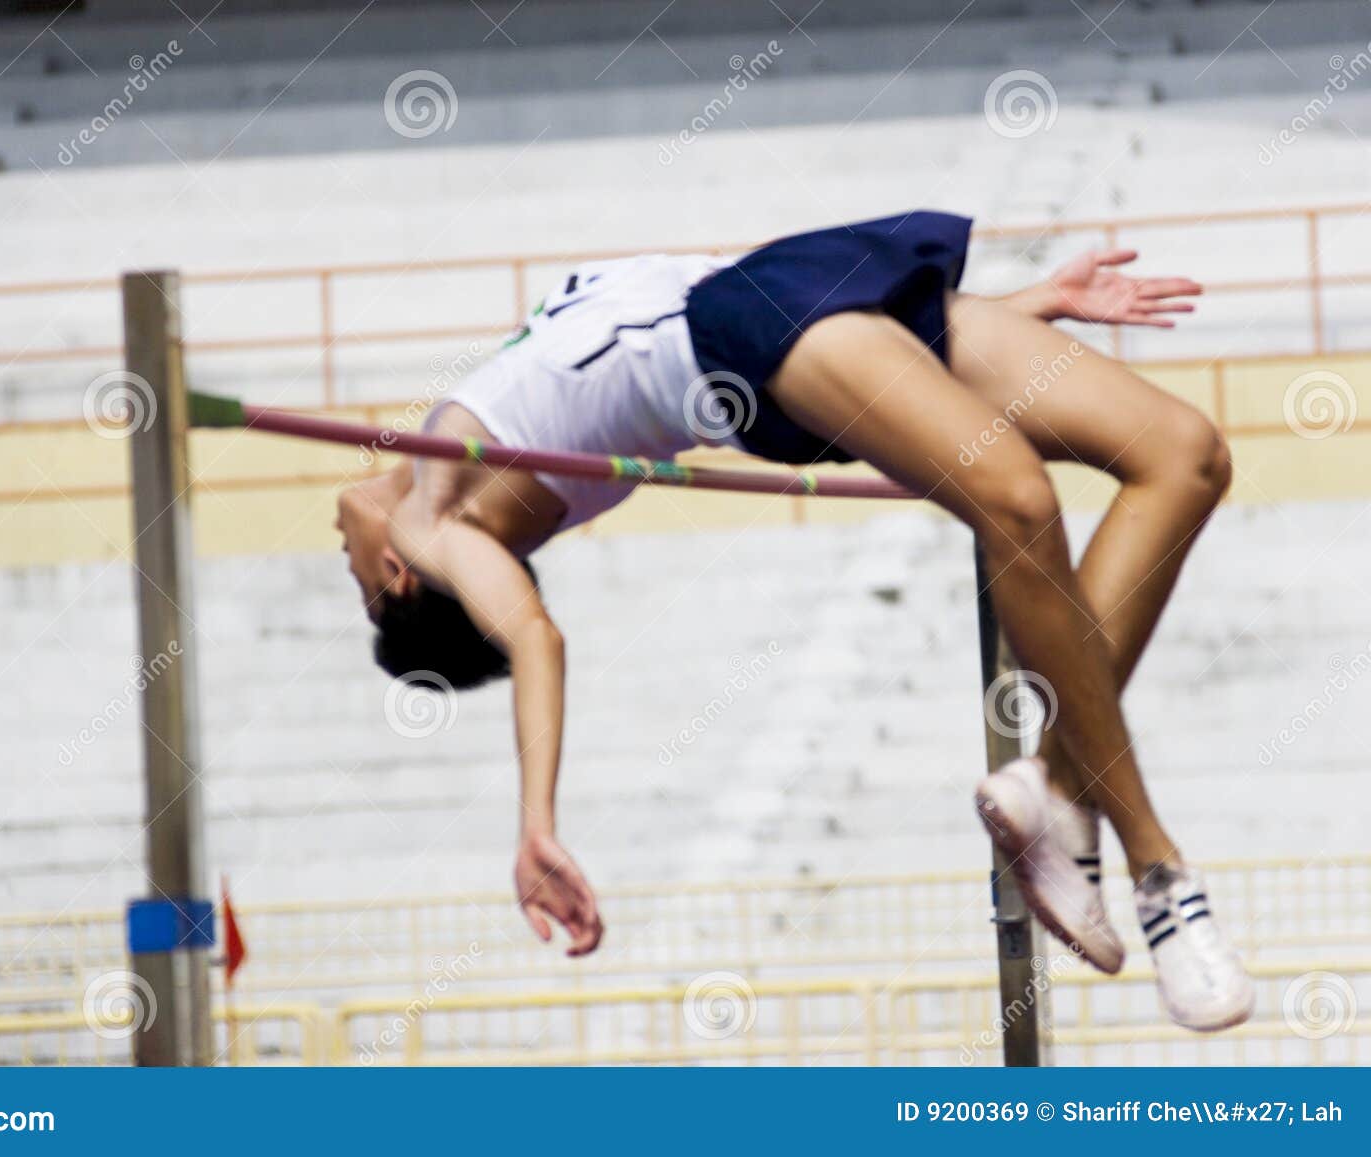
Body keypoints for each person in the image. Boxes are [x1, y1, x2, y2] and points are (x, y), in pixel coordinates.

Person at [333, 211, 1254, 1032]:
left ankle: (1052, 786)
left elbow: (373, 486)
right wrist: (536, 824)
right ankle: (1160, 873)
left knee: (1184, 454)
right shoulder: (434, 516)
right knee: (1016, 502)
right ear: (403, 577)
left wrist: (1030, 304)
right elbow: (535, 635)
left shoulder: (452, 456)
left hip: (804, 293)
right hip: (754, 334)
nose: (344, 547)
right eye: (360, 580)